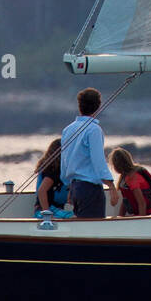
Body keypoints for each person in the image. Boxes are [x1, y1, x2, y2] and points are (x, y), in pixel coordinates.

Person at [60, 88, 117, 219]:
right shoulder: (93, 130)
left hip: (75, 187)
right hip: (90, 188)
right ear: (98, 106)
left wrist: (68, 185)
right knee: (92, 229)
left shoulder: (67, 130)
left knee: (81, 228)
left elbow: (65, 160)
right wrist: (111, 186)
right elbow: (98, 161)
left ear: (79, 106)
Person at [110, 147, 151, 218]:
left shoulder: (132, 179)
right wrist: (120, 217)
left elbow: (142, 203)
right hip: (141, 214)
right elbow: (126, 200)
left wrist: (141, 224)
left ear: (117, 165)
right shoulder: (125, 176)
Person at [34, 138, 72, 217]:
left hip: (54, 208)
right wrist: (47, 212)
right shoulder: (53, 170)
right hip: (48, 209)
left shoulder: (50, 167)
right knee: (74, 218)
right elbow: (41, 190)